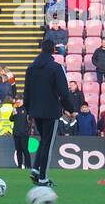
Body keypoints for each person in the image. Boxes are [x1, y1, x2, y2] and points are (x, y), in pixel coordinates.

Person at [25, 40, 75, 186]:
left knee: (43, 141)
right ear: (53, 50)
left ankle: (35, 170)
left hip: (35, 111)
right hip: (51, 111)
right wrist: (71, 109)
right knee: (48, 144)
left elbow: (26, 93)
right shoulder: (55, 67)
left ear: (41, 49)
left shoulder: (31, 68)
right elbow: (64, 93)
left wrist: (29, 111)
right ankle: (43, 178)